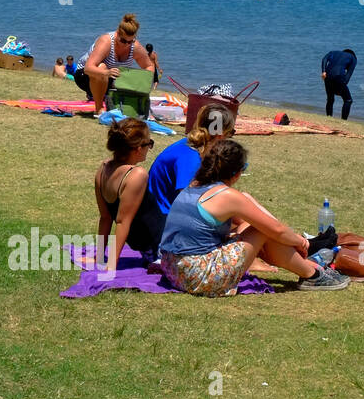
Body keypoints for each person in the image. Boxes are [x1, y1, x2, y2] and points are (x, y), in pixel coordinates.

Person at [159, 139, 349, 296]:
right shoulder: (226, 196)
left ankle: (310, 266)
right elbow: (276, 230)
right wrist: (301, 242)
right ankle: (313, 273)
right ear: (235, 173)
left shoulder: (195, 186)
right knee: (262, 229)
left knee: (252, 211)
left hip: (172, 269)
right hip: (195, 275)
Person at [144, 103, 234, 232]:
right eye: (230, 133)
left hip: (155, 217)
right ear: (220, 135)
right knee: (247, 227)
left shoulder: (189, 146)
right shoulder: (190, 158)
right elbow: (188, 204)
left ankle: (105, 251)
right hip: (161, 226)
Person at [93, 117, 159, 272]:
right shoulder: (136, 175)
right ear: (138, 149)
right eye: (149, 144)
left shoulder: (103, 169)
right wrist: (112, 265)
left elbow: (105, 218)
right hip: (160, 246)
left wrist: (100, 256)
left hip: (144, 245)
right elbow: (123, 222)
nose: (149, 148)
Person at [71, 13, 154, 113]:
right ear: (117, 33)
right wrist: (107, 73)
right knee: (102, 66)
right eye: (123, 41)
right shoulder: (106, 42)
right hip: (84, 75)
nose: (126, 45)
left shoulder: (135, 46)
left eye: (130, 41)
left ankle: (118, 103)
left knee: (128, 76)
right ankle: (99, 108)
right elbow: (88, 68)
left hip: (110, 79)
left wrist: (144, 81)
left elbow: (149, 66)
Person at [321, 48, 357, 120]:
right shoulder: (353, 58)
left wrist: (323, 71)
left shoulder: (333, 52)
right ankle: (343, 120)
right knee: (348, 100)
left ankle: (329, 118)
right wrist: (341, 88)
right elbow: (348, 74)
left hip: (327, 76)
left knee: (330, 99)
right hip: (339, 76)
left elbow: (324, 59)